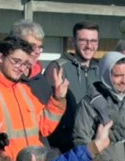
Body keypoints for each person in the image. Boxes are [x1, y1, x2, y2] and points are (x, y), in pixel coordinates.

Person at [0, 33, 69, 161]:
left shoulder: (24, 90)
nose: (21, 68)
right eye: (16, 61)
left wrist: (57, 98)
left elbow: (44, 127)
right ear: (0, 57)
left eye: (25, 64)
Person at [38, 22, 100, 152]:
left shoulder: (101, 70)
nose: (89, 46)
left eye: (93, 41)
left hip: (94, 144)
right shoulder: (57, 68)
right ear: (73, 41)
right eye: (83, 41)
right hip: (64, 148)